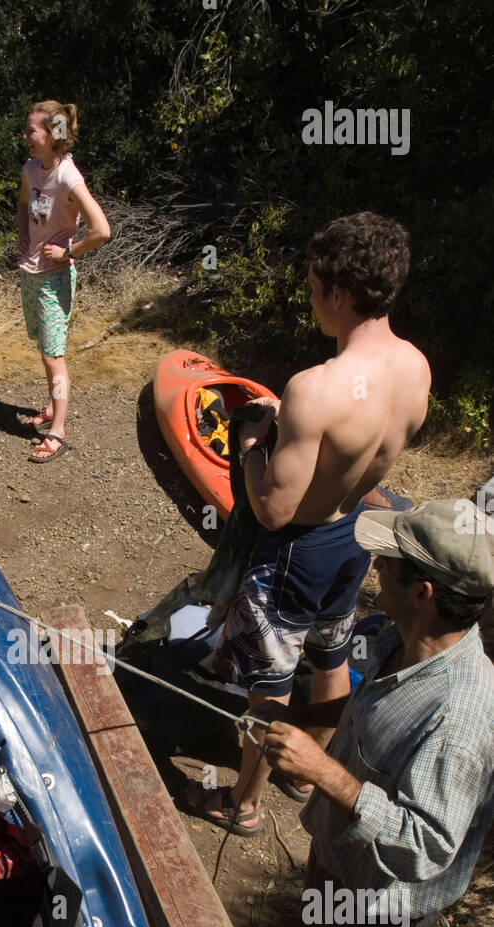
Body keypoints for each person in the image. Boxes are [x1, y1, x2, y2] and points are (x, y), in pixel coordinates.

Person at [185, 212, 431, 835]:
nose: (312, 298)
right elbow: (360, 460)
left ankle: (241, 805)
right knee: (329, 654)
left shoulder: (314, 388)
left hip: (295, 551)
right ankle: (304, 771)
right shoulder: (415, 368)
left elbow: (273, 508)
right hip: (355, 536)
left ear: (339, 294)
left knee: (269, 682)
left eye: (315, 286)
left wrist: (249, 442)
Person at [259, 498, 494, 927]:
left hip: (383, 903)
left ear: (421, 592)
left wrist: (323, 772)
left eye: (386, 562)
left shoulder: (462, 715)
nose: (374, 566)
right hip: (340, 858)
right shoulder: (398, 637)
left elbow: (426, 845)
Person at [17, 101, 110, 462]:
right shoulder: (30, 169)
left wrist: (70, 253)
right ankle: (52, 409)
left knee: (55, 357)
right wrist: (23, 234)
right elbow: (24, 203)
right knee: (45, 349)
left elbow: (101, 230)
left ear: (53, 135)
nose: (26, 137)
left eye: (31, 131)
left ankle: (58, 432)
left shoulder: (68, 177)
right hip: (31, 274)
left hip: (54, 279)